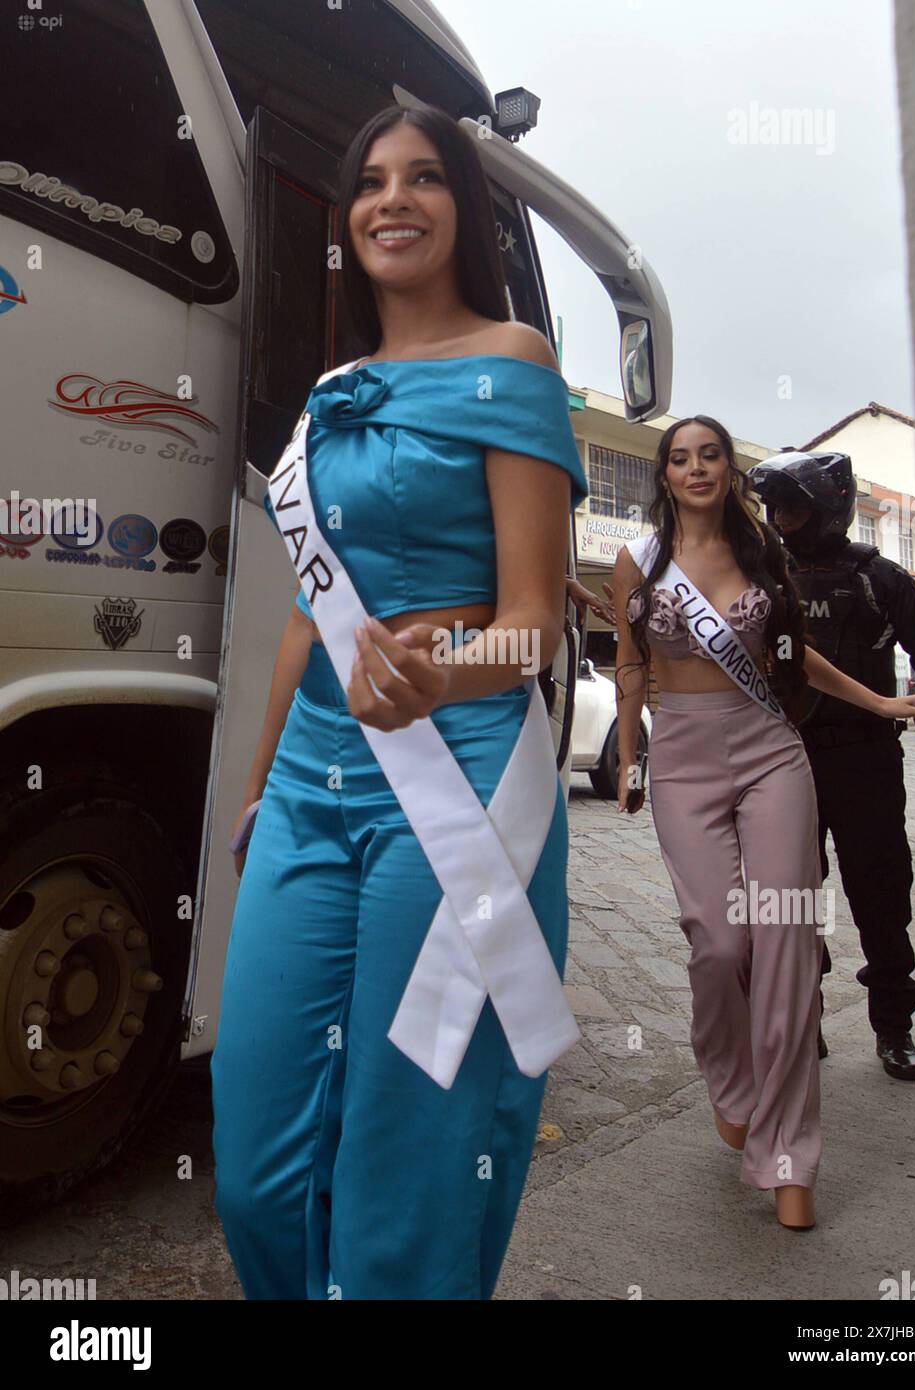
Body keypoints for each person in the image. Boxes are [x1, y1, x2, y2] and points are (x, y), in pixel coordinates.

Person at [209, 103, 589, 1300]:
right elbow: (299, 616)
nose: (393, 200)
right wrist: (266, 786)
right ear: (347, 215)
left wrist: (447, 665)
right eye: (371, 180)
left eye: (425, 178)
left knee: (404, 1146)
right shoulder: (328, 392)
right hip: (314, 776)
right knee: (255, 1163)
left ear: (461, 211)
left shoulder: (513, 357)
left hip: (458, 778)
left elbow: (536, 619)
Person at [612, 417, 915, 1230]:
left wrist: (880, 699)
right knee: (720, 943)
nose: (695, 468)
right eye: (679, 457)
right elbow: (631, 660)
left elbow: (797, 657)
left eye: (709, 454)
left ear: (727, 470)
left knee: (786, 941)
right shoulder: (636, 563)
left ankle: (788, 1152)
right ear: (664, 473)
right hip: (682, 758)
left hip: (770, 755)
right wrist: (624, 751)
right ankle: (731, 1081)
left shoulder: (764, 560)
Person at [751, 450, 915, 1081]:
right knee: (793, 895)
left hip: (866, 758)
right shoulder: (761, 578)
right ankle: (804, 1015)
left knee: (881, 893)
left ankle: (895, 1027)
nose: (780, 519)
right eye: (773, 509)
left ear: (829, 508)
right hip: (783, 757)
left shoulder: (883, 580)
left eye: (793, 507)